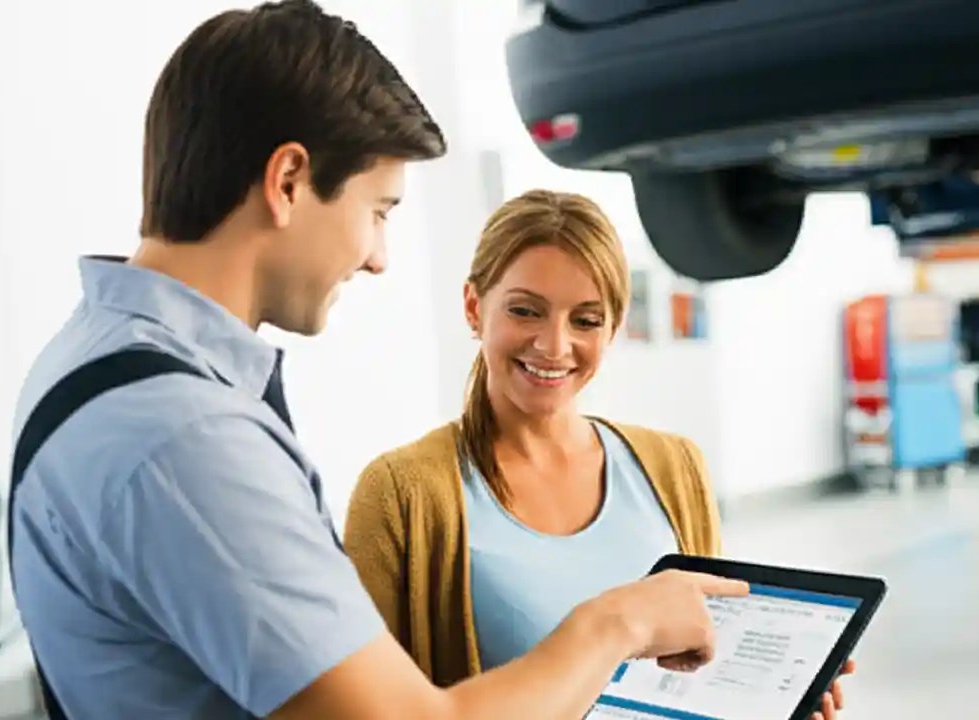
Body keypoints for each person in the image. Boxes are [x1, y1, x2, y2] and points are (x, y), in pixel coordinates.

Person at [6, 2, 750, 719]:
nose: (377, 258)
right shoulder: (186, 436)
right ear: (288, 182)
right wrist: (615, 624)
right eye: (378, 211)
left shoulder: (91, 359)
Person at [344, 189, 855, 720]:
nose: (554, 345)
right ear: (475, 308)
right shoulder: (401, 493)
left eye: (585, 320)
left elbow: (703, 673)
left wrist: (773, 697)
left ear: (613, 327)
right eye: (525, 311)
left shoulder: (674, 467)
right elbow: (357, 708)